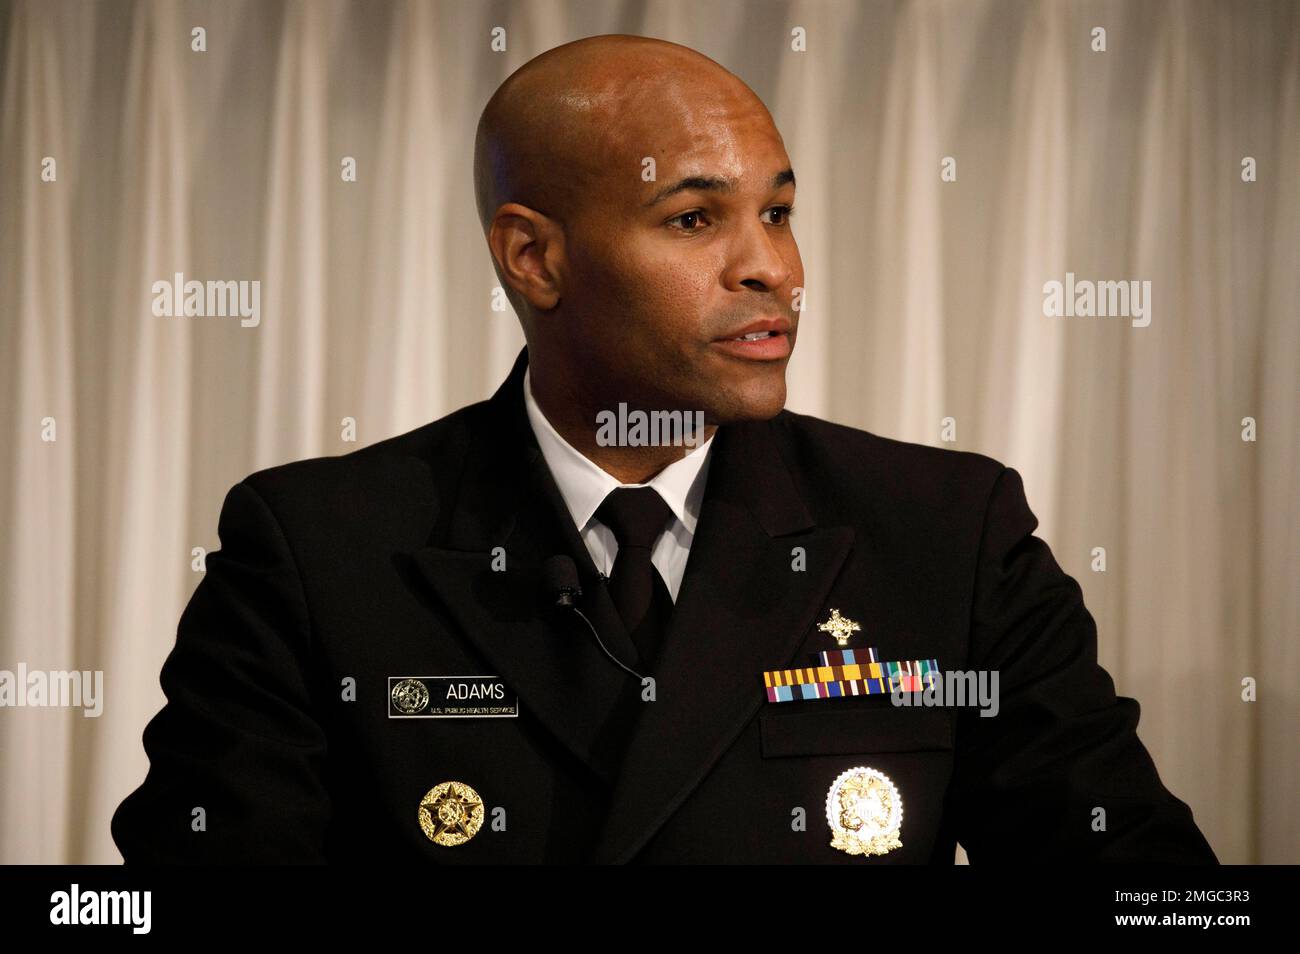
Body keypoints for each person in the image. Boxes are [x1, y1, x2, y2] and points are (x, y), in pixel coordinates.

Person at [112, 34, 1216, 864]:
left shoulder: (943, 528)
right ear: (533, 259)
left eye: (777, 213)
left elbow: (1145, 883)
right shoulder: (318, 547)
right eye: (695, 220)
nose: (772, 269)